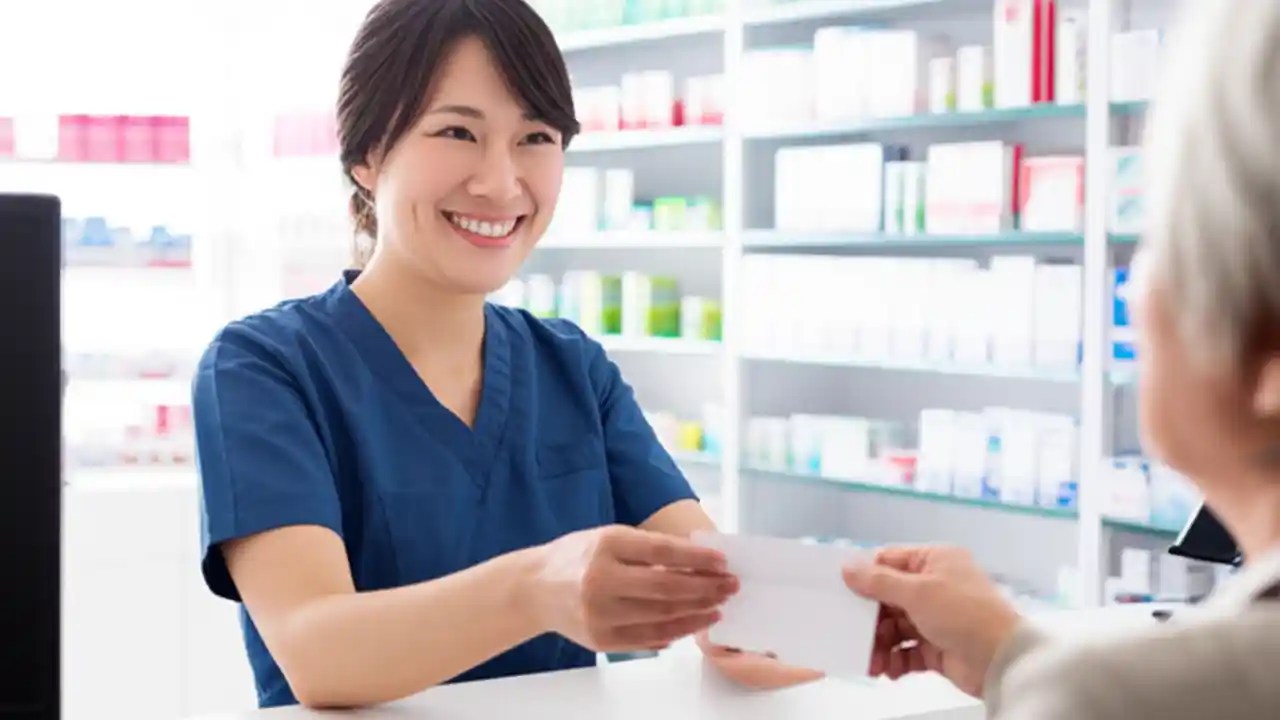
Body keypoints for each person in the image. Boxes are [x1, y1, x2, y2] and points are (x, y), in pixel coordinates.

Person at [192, 0, 822, 709]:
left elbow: (720, 580)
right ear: (367, 155)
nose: (500, 182)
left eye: (535, 137)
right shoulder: (263, 369)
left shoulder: (570, 367)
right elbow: (317, 650)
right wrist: (536, 589)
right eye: (458, 131)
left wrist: (834, 614)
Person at [843, 2, 1280, 718]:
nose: (1134, 293)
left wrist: (1057, 690)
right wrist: (1014, 658)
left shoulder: (1118, 697)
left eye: (1163, 242)